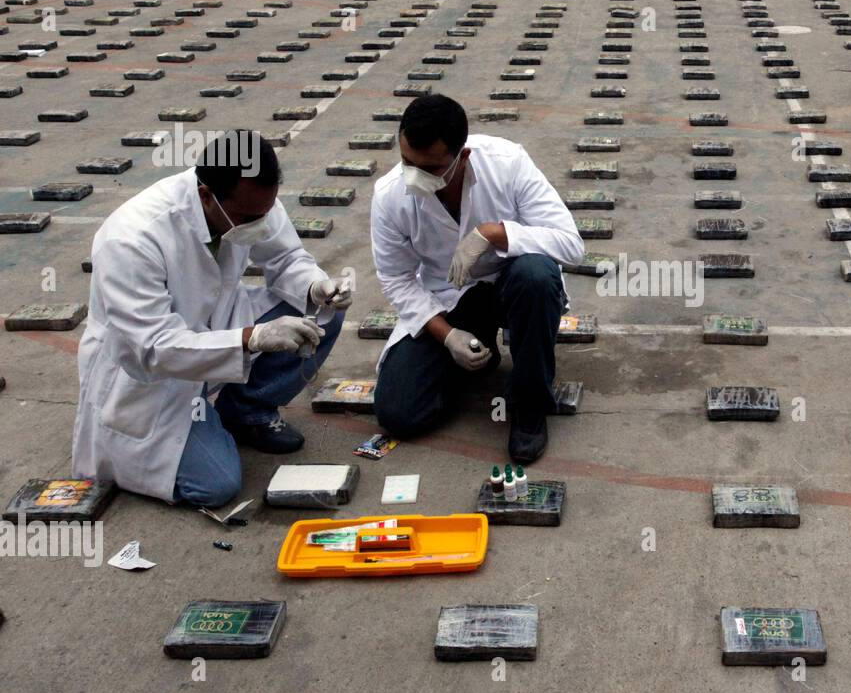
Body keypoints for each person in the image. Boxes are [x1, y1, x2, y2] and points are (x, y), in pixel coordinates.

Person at [72, 131, 352, 508]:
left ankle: (245, 412)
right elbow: (155, 348)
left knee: (320, 315)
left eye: (265, 213)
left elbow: (285, 259)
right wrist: (252, 338)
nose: (259, 223)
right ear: (206, 195)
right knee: (216, 485)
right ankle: (185, 429)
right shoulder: (132, 239)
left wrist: (316, 286)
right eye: (248, 218)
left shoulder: (252, 202)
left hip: (214, 326)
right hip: (147, 376)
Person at [370, 94, 584, 463]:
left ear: (462, 157)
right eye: (407, 161)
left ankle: (528, 405)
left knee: (536, 274)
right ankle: (474, 354)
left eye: (431, 167)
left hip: (512, 286)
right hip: (449, 299)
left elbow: (570, 245)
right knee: (399, 414)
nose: (414, 176)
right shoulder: (390, 196)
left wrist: (494, 234)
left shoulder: (507, 163)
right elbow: (396, 278)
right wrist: (447, 335)